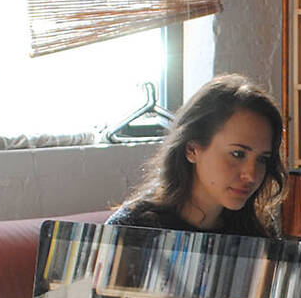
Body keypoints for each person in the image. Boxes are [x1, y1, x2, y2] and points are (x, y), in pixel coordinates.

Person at [107, 74, 285, 236]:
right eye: (237, 154)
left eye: (262, 159)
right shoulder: (131, 229)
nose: (251, 175)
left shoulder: (258, 232)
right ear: (191, 150)